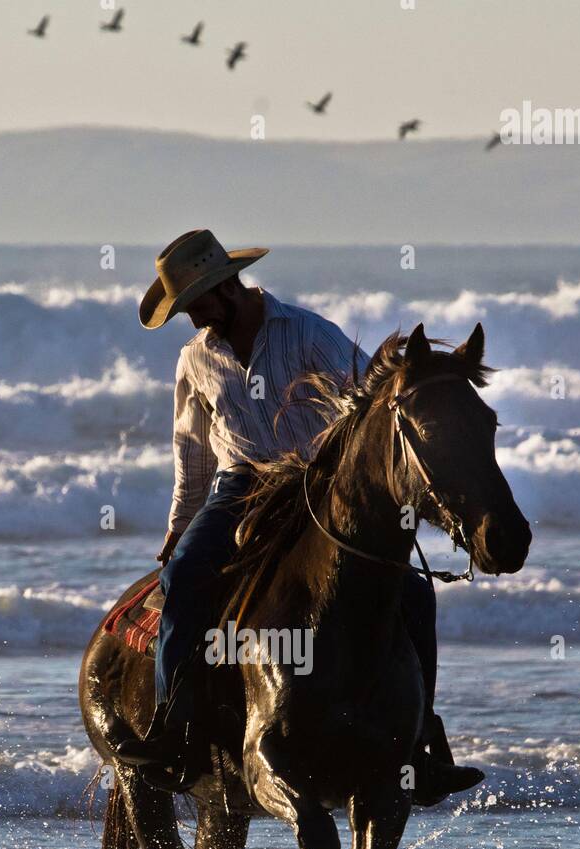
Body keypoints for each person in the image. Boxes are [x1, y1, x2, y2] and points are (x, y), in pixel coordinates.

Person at [117, 229, 482, 803]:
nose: (190, 319)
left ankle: (421, 743)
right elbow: (191, 453)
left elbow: (373, 400)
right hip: (239, 486)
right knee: (183, 577)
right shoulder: (195, 360)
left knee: (414, 593)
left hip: (317, 482)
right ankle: (174, 730)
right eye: (183, 309)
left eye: (195, 305)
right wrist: (179, 528)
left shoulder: (308, 333)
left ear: (226, 288)